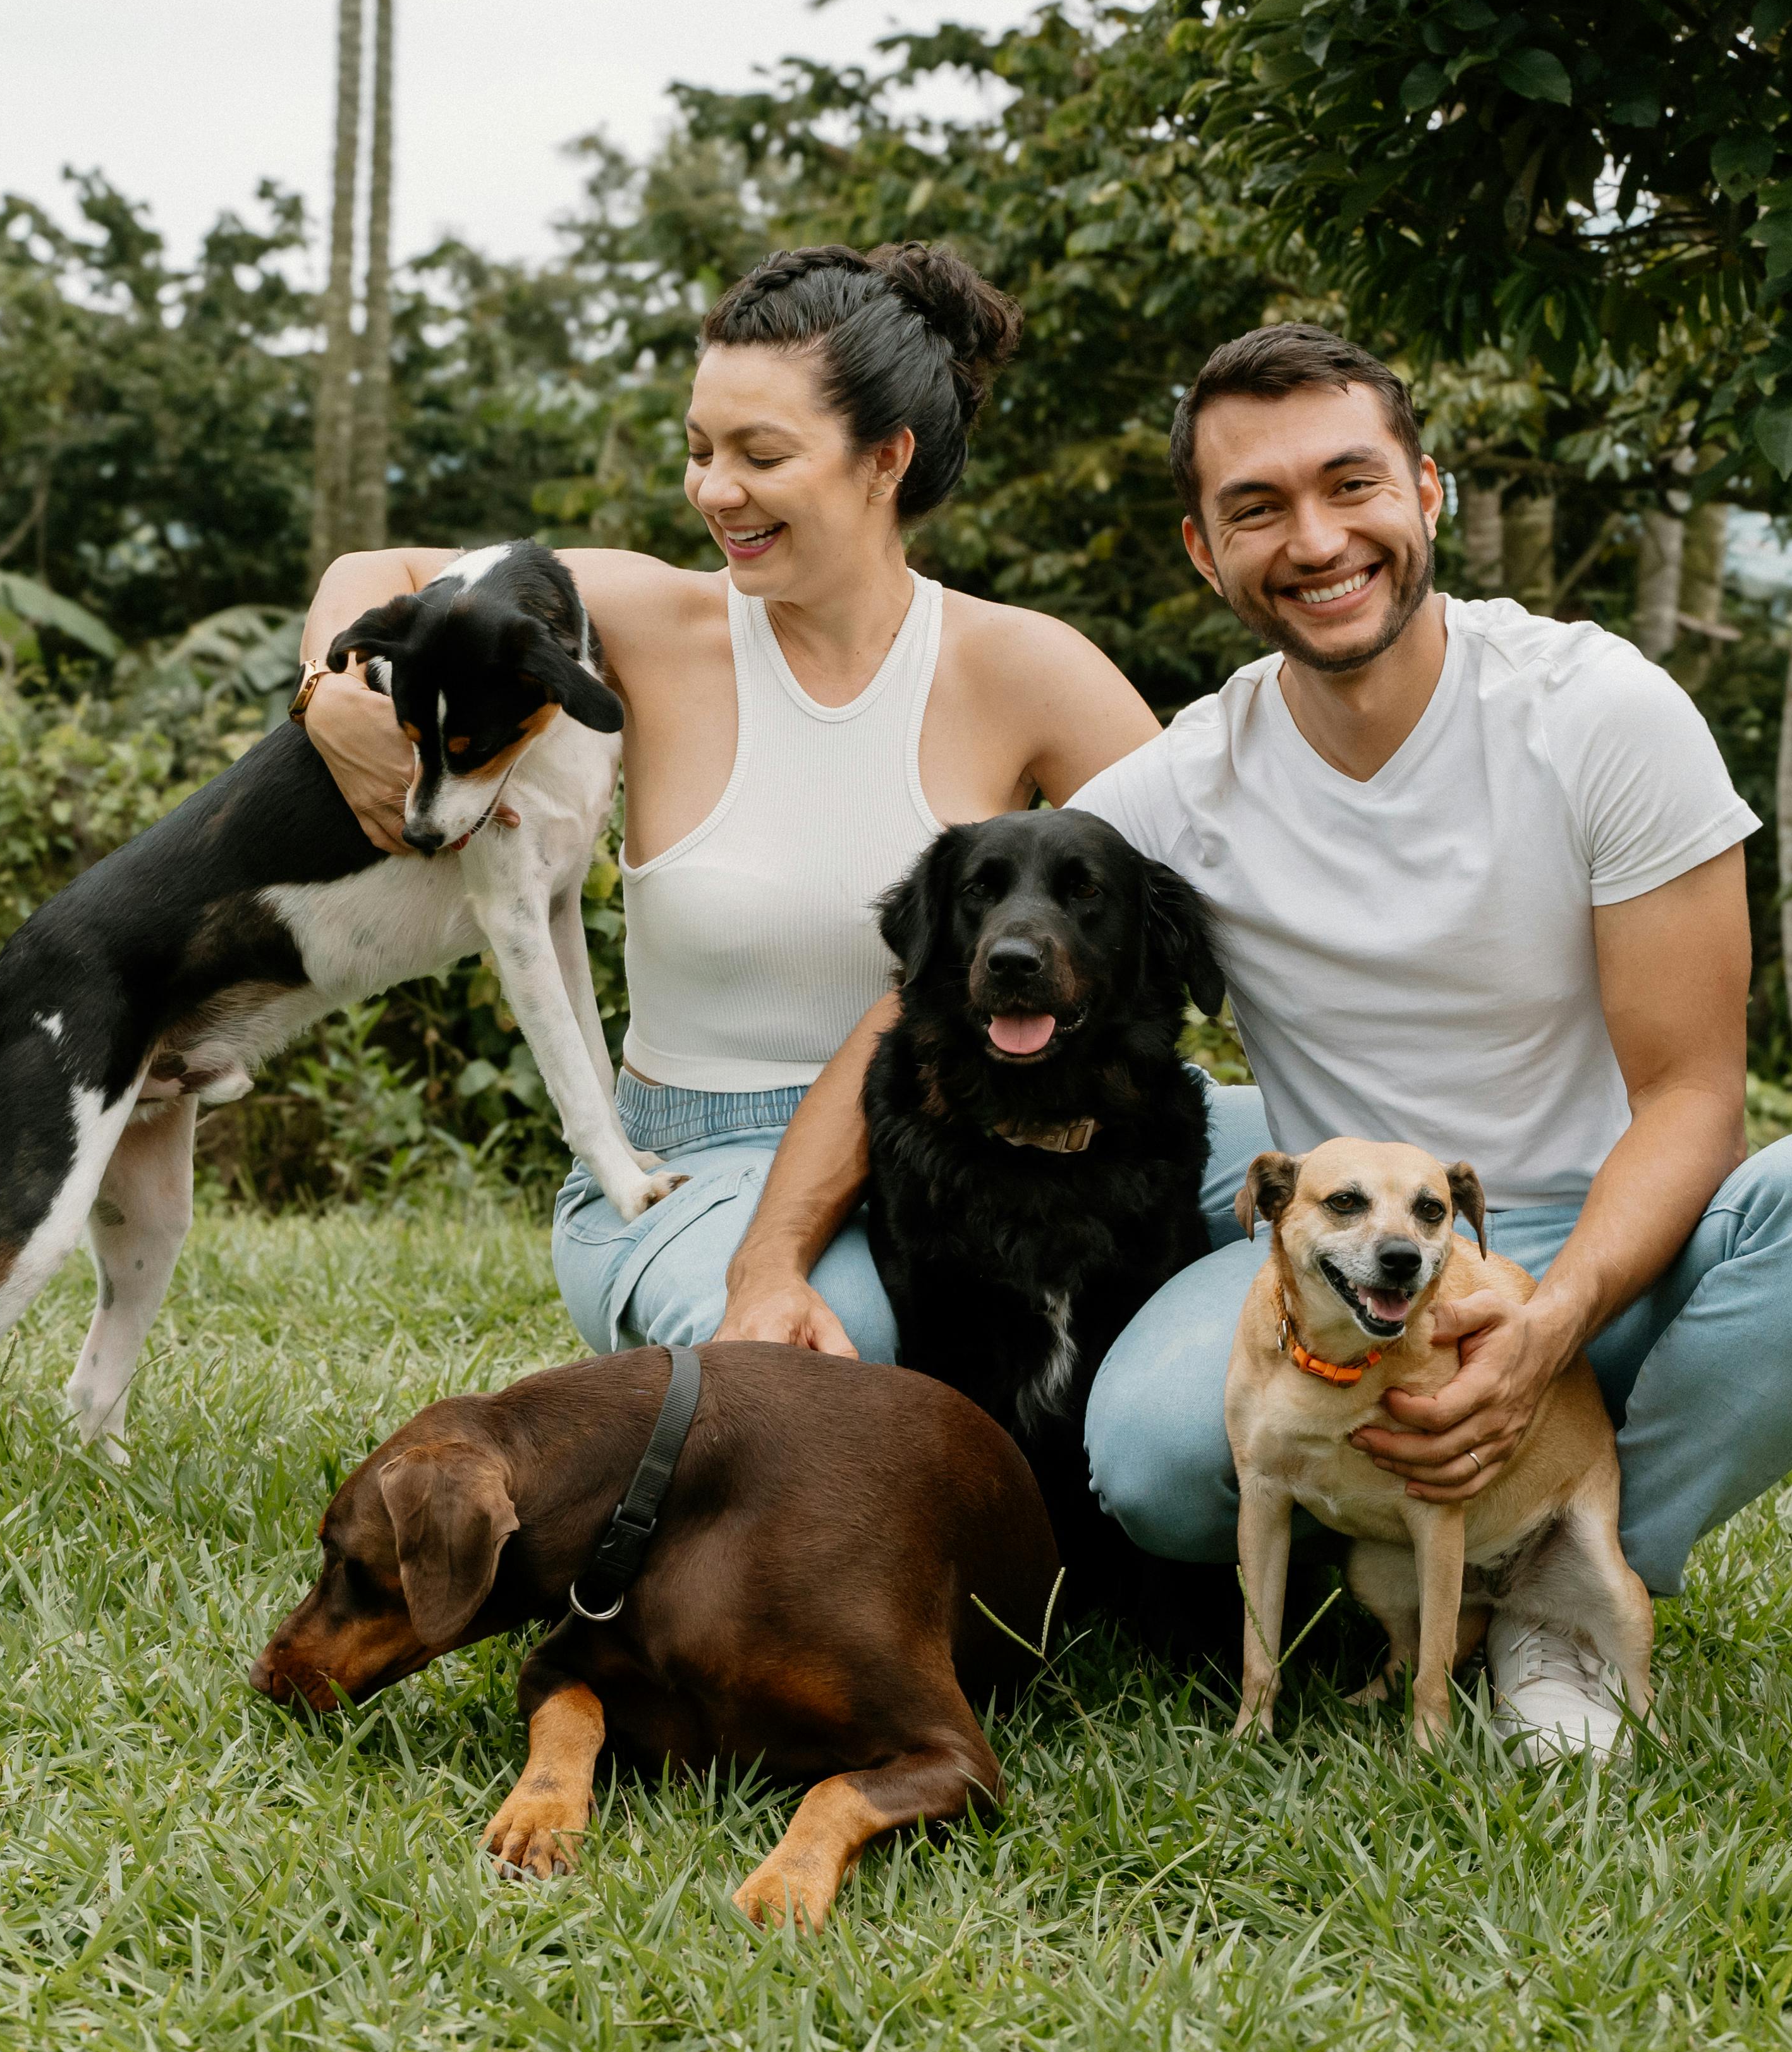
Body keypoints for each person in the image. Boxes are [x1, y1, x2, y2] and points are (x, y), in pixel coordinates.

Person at [716, 323, 1792, 1759]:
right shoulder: (1188, 780)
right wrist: (768, 1261)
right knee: (1155, 1460)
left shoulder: (1598, 709)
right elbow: (922, 998)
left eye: (1350, 482)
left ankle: (1558, 1582)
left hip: (1598, 1235)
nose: (1316, 537)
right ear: (1203, 550)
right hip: (1345, 1252)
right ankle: (1403, 1573)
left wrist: (1543, 1330)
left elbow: (1692, 1097)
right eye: (1256, 508)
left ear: (1427, 489)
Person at [297, 241, 1159, 1357]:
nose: (711, 490)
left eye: (759, 453)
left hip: (964, 1138)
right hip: (696, 1168)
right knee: (829, 1372)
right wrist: (327, 694)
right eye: (699, 449)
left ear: (886, 458)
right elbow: (382, 573)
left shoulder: (1024, 666)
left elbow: (1216, 876)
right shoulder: (648, 620)